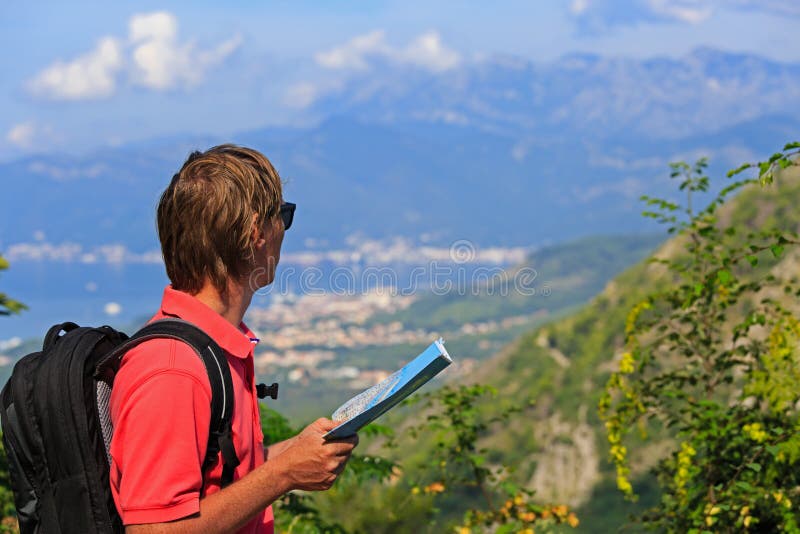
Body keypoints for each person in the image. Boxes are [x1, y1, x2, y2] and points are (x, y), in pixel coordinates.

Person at [108, 145, 358, 533]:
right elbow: (153, 529)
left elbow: (219, 476)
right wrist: (282, 476)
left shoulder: (216, 348)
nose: (284, 233)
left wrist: (292, 454)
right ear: (257, 233)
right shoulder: (174, 369)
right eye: (284, 216)